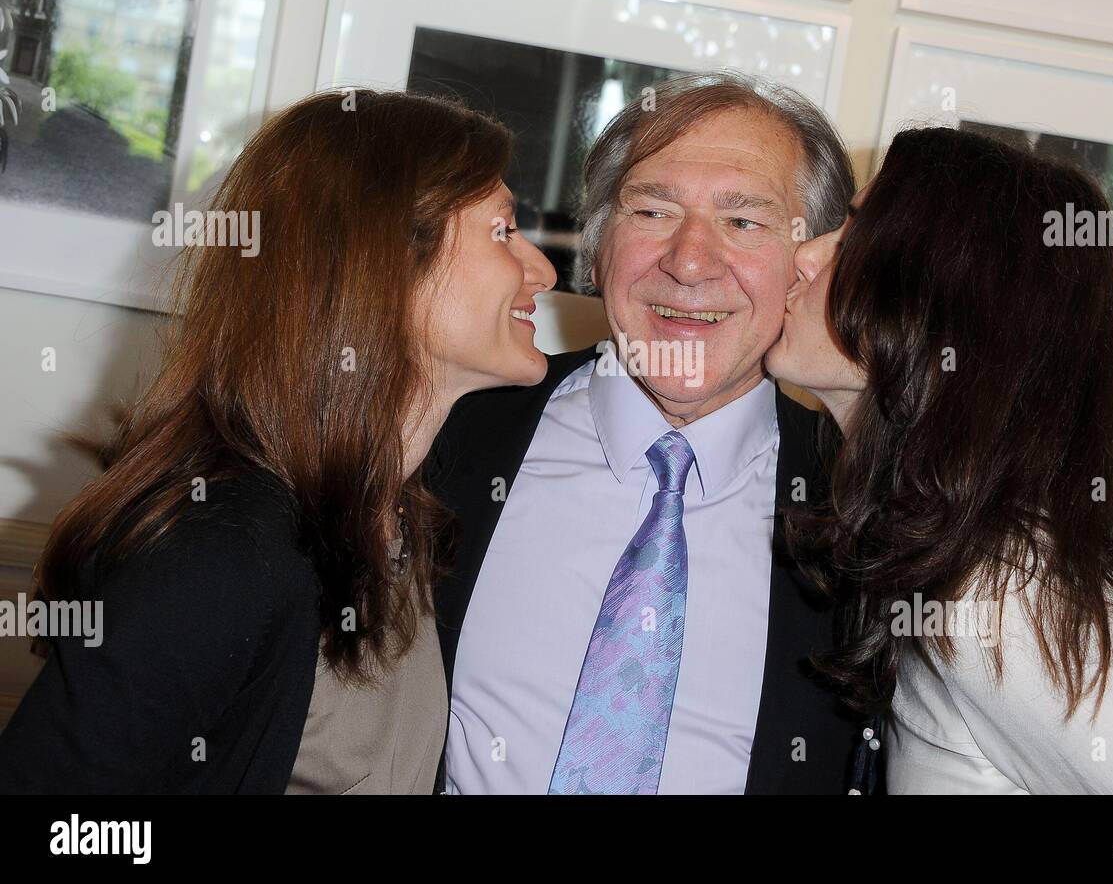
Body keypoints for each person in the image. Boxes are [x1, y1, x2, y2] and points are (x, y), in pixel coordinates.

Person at [0, 89, 556, 793]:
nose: (541, 270)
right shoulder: (225, 550)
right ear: (385, 265)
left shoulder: (406, 520)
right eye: (504, 232)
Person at [765, 126, 1113, 793]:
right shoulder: (962, 550)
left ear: (940, 306)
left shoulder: (1004, 601)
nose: (804, 256)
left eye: (852, 237)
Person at [425, 71, 867, 794]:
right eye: (654, 211)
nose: (689, 261)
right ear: (597, 251)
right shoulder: (448, 432)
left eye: (744, 222)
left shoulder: (868, 509)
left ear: (807, 266)